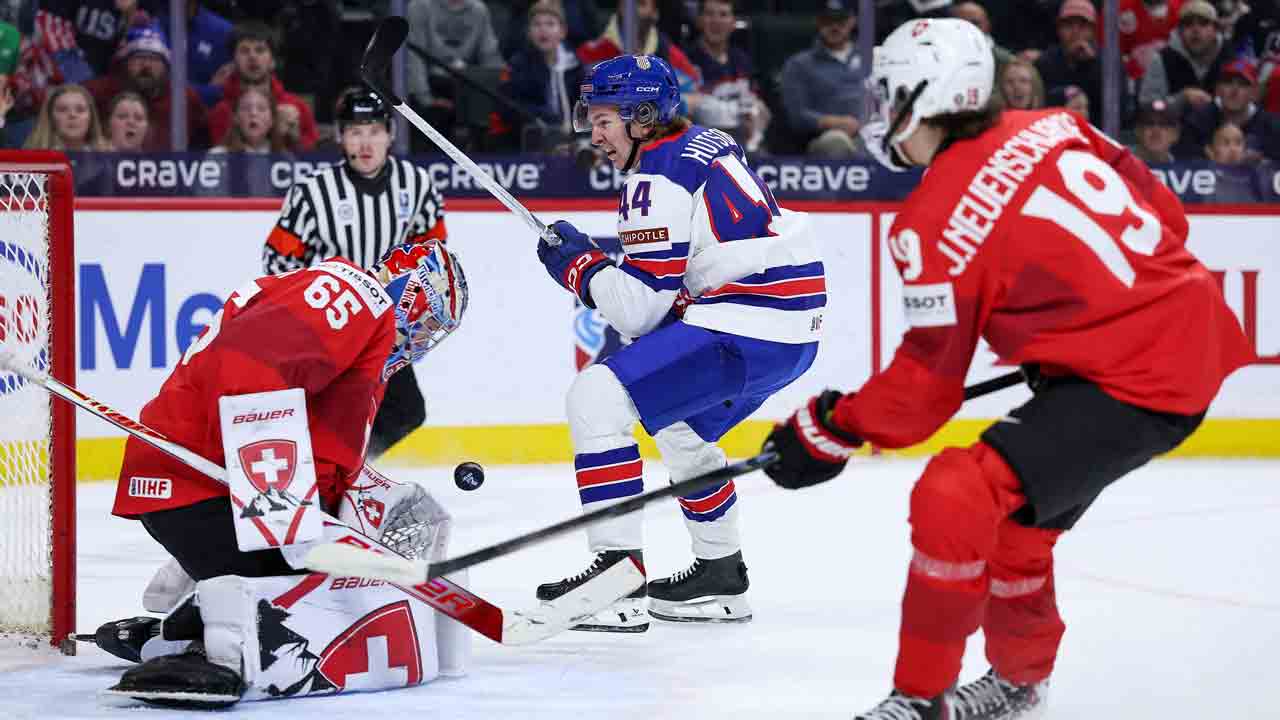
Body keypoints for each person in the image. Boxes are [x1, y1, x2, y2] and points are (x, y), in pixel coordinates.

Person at [762, 18, 1253, 720]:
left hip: (1140, 376)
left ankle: (919, 698)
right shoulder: (1056, 124)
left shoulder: (930, 221)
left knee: (955, 494)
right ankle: (1020, 682)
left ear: (924, 97)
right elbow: (1166, 218)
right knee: (1017, 524)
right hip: (1188, 335)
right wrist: (1077, 334)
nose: (879, 113)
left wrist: (829, 427)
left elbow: (922, 395)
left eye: (887, 96)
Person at [106, 239, 468, 707]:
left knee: (327, 582)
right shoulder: (357, 296)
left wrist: (347, 511)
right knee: (309, 602)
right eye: (428, 322)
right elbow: (245, 371)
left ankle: (186, 617)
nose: (421, 340)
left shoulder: (361, 327)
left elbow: (322, 446)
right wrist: (279, 510)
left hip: (208, 486)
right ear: (411, 291)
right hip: (200, 484)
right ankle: (215, 641)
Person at [533, 54, 825, 632]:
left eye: (605, 120)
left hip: (747, 322)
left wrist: (579, 268)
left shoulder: (655, 175)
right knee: (680, 426)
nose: (594, 134)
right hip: (792, 326)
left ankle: (616, 581)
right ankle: (720, 574)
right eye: (590, 118)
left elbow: (639, 311)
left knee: (596, 399)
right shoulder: (701, 141)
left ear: (644, 117)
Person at [264, 87, 449, 460]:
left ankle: (351, 467)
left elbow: (434, 259)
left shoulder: (417, 187)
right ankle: (320, 470)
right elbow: (278, 261)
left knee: (407, 411)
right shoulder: (313, 192)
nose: (365, 142)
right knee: (329, 411)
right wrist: (309, 311)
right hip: (330, 323)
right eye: (355, 131)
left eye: (374, 130)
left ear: (389, 135)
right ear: (340, 136)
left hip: (385, 328)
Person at [84, 24, 209, 150]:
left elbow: (202, 147)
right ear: (125, 62)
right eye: (139, 58)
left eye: (154, 59)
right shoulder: (97, 92)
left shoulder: (185, 99)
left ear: (166, 66)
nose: (146, 65)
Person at [208, 21, 318, 153]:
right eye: (244, 51)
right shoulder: (221, 110)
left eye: (260, 50)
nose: (252, 57)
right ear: (233, 61)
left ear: (272, 61)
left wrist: (295, 138)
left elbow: (313, 162)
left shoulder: (298, 107)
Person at [779, 0, 866, 157]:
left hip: (872, 134)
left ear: (852, 21)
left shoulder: (872, 58)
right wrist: (835, 123)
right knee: (836, 142)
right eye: (828, 21)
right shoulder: (799, 64)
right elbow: (797, 115)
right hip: (825, 138)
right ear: (818, 22)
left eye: (840, 20)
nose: (835, 27)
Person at [685, 0, 771, 152]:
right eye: (710, 14)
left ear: (733, 23)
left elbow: (758, 108)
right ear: (699, 21)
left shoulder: (742, 61)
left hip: (743, 142)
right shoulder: (685, 60)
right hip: (700, 144)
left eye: (723, 15)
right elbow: (691, 110)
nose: (716, 21)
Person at [1138, 1, 1226, 113]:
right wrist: (1179, 100)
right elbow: (1148, 105)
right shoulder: (1163, 59)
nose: (1196, 30)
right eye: (1188, 24)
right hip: (1175, 128)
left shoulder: (1229, 57)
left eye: (1203, 23)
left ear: (1215, 30)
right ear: (1179, 31)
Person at [23, 82, 111, 150]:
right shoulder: (32, 156)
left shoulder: (108, 156)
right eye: (63, 110)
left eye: (80, 110)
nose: (72, 115)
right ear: (50, 117)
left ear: (91, 117)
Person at [208, 84, 283, 153]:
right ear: (235, 118)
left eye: (261, 109)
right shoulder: (218, 155)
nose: (253, 113)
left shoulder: (284, 159)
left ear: (272, 119)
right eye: (246, 108)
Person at [1130, 98, 1182, 163]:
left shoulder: (1181, 169)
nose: (1156, 129)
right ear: (1138, 131)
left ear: (1175, 134)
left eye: (1163, 124)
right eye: (1149, 123)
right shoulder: (1118, 165)